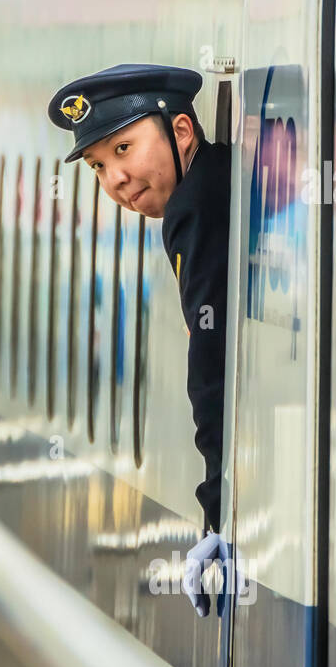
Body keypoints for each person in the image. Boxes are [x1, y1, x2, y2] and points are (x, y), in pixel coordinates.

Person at [47, 63, 236, 617]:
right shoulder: (223, 177)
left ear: (181, 133)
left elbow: (212, 370)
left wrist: (216, 512)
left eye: (124, 149)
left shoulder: (191, 211)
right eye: (99, 167)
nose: (114, 180)